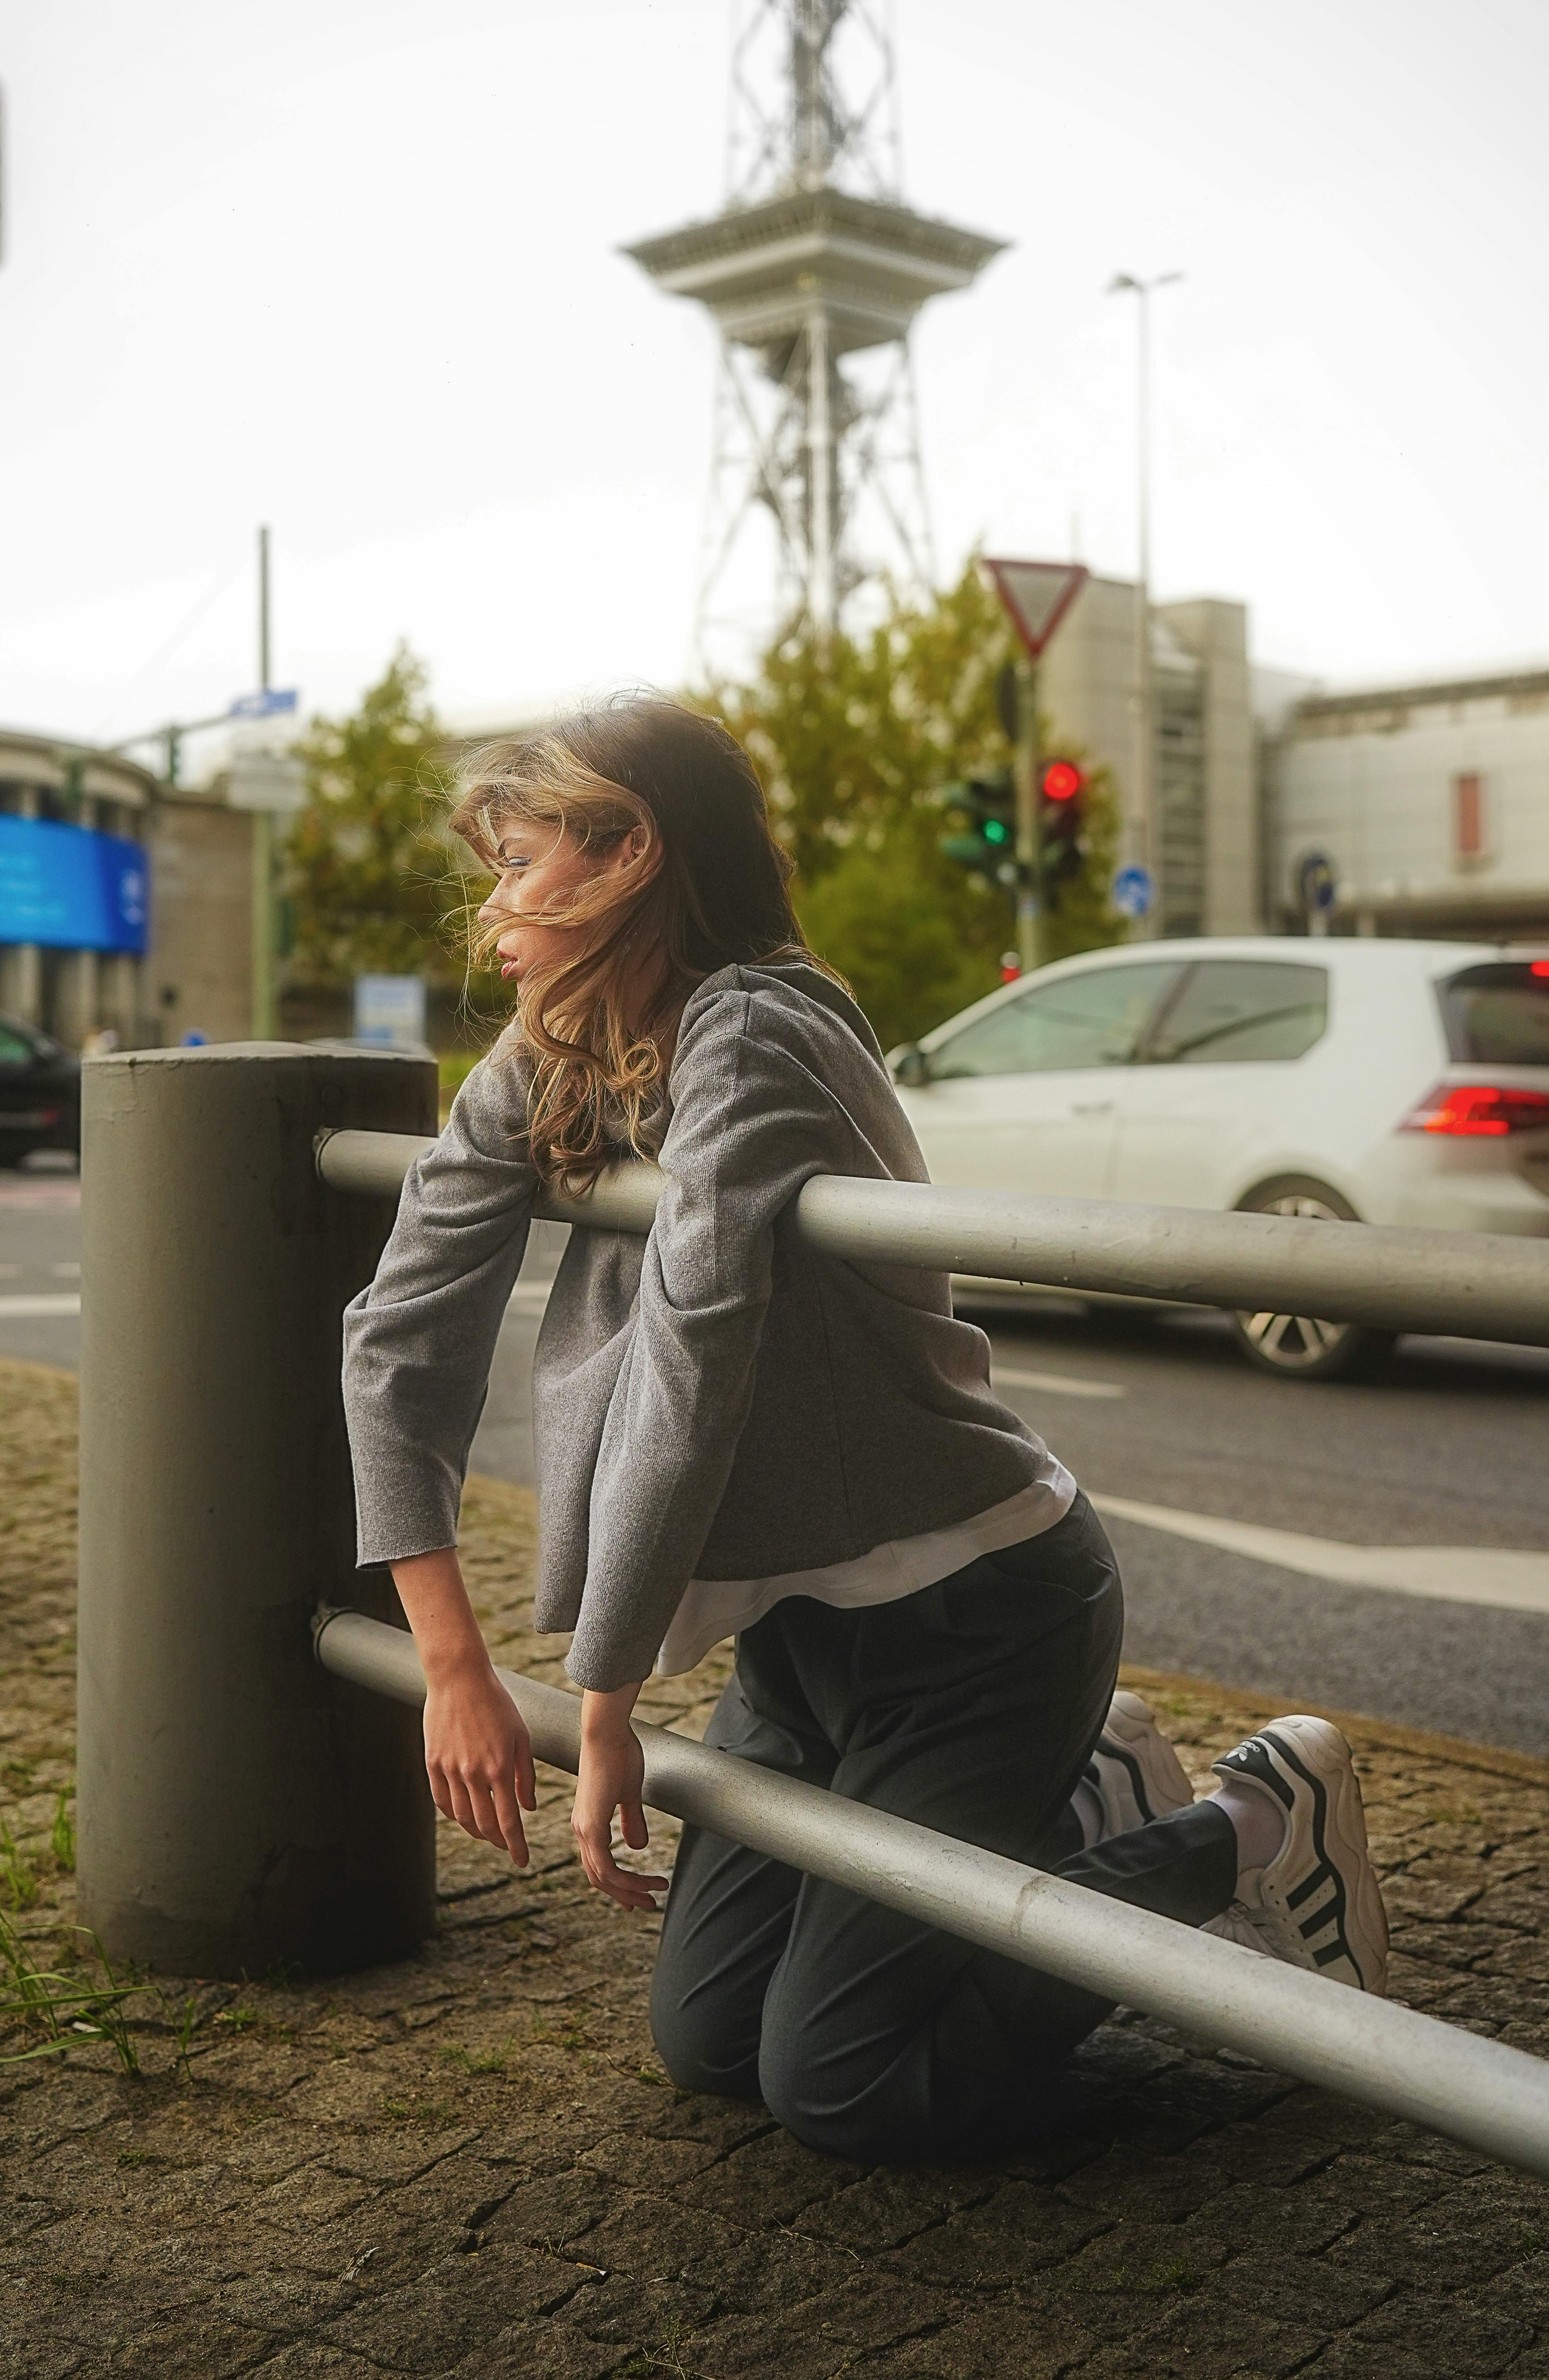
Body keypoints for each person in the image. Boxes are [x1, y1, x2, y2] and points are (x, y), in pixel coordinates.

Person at [342, 697, 1389, 2164]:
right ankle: (1080, 1788)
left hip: (972, 1617)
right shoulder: (560, 1047)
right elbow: (399, 1330)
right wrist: (446, 1656)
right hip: (804, 1633)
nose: (494, 906)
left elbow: (692, 1370)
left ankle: (1248, 1821)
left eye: (520, 862)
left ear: (629, 851)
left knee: (843, 2084)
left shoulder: (755, 1029)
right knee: (709, 2046)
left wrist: (603, 1698)